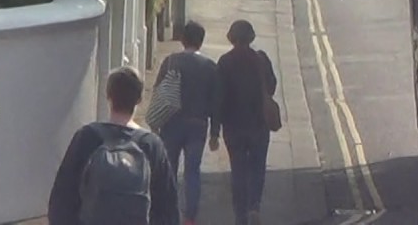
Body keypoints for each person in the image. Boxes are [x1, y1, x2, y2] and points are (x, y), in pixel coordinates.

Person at [48, 67, 180, 225]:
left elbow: (62, 198)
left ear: (108, 96)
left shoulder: (87, 137)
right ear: (139, 99)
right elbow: (167, 209)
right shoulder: (151, 145)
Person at [211, 20, 278, 225]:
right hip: (259, 124)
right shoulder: (261, 58)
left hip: (233, 126)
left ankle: (240, 215)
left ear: (231, 37)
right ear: (251, 37)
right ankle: (254, 206)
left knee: (238, 169)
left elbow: (218, 98)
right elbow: (272, 86)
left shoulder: (225, 62)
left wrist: (214, 132)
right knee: (257, 167)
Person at [153, 21, 218, 225]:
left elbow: (158, 91)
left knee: (168, 170)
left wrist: (155, 120)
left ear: (182, 39)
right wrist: (215, 133)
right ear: (201, 41)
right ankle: (190, 217)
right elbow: (216, 102)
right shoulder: (210, 66)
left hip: (171, 123)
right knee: (192, 171)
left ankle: (167, 214)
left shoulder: (171, 61)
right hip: (198, 124)